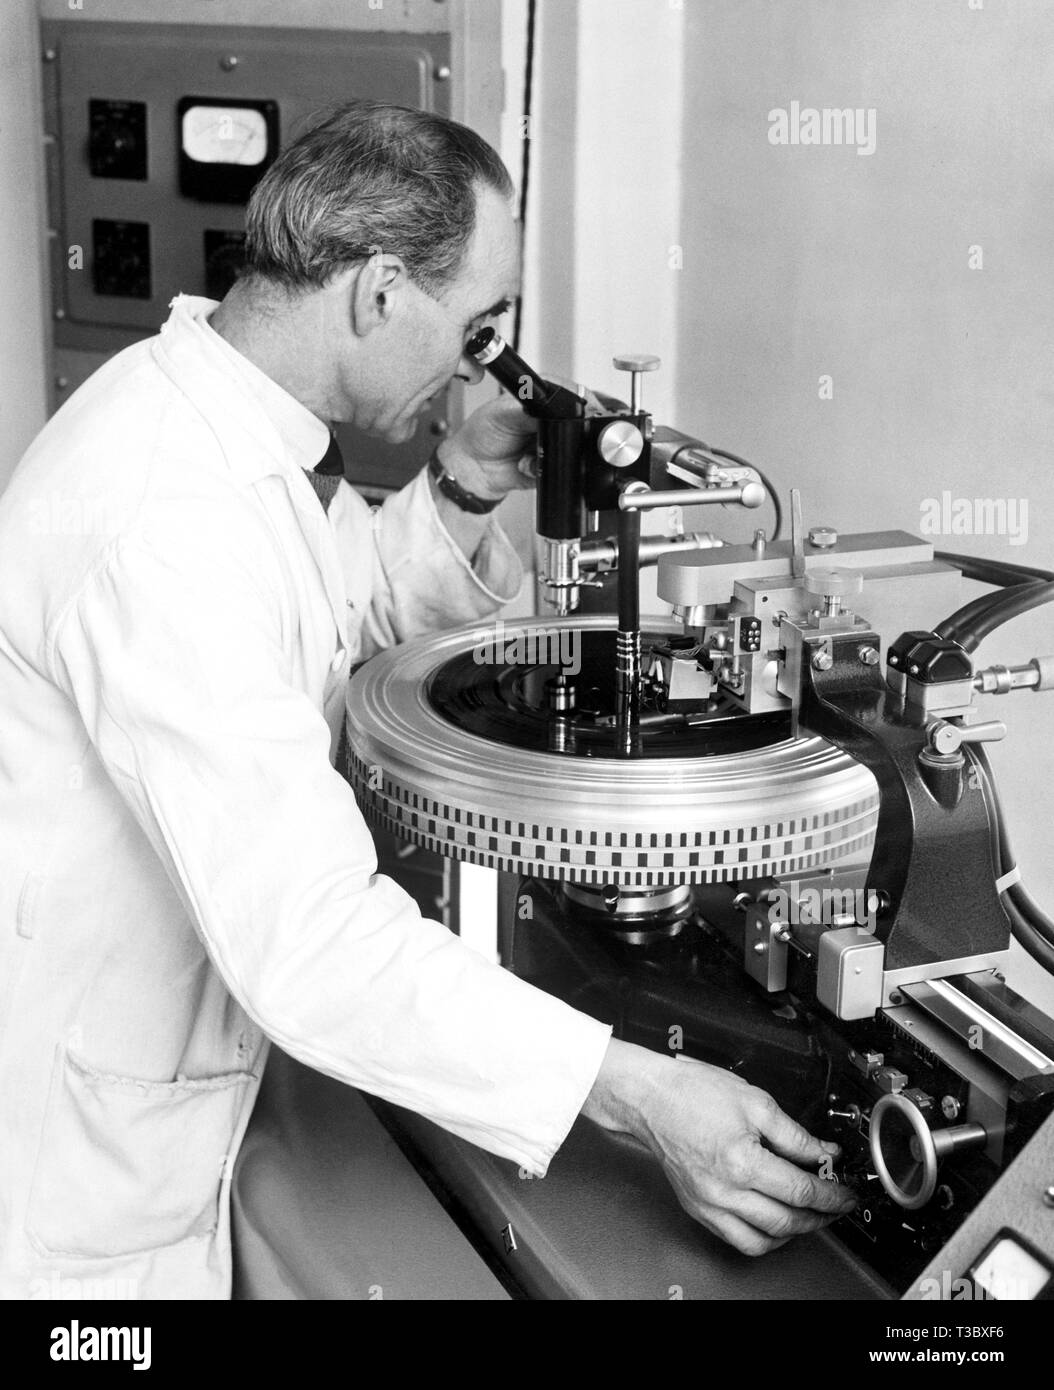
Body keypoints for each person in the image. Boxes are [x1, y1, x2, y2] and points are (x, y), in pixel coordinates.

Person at [0, 101, 854, 1301]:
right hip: (73, 1208)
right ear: (383, 290)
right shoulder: (163, 512)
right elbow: (309, 938)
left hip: (164, 1089)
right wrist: (641, 1090)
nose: (474, 366)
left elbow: (329, 610)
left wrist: (458, 482)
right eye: (475, 328)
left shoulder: (227, 428)